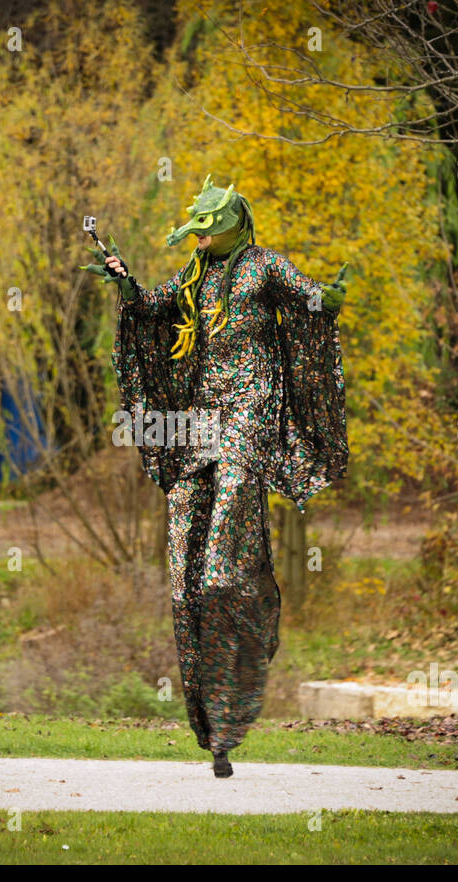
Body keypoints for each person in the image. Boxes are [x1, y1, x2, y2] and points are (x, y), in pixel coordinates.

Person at [81, 175, 349, 778]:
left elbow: (314, 299)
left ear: (232, 224)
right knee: (185, 572)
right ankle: (213, 725)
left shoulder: (265, 267)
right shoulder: (197, 273)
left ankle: (248, 645)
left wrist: (327, 298)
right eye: (195, 229)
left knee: (223, 566)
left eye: (207, 228)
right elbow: (152, 309)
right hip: (202, 422)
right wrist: (124, 280)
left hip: (249, 420)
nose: (198, 238)